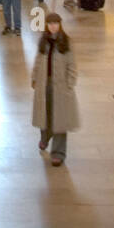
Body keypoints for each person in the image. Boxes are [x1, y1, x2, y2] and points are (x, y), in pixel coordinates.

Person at [31, 13, 79, 166]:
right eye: (50, 24)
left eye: (56, 23)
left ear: (60, 24)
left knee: (60, 119)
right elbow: (38, 61)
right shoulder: (43, 42)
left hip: (60, 87)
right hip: (44, 85)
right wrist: (34, 77)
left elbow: (72, 65)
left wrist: (70, 83)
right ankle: (45, 137)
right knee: (45, 115)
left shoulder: (66, 42)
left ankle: (58, 153)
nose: (53, 26)